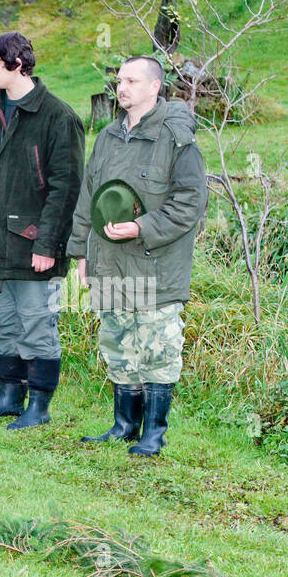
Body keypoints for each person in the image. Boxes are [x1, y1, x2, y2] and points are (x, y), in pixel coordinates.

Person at [67, 55, 207, 457]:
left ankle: (153, 434)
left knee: (157, 349)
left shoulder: (177, 138)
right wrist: (80, 252)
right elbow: (86, 199)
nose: (121, 88)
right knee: (117, 344)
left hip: (155, 264)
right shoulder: (109, 136)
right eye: (119, 80)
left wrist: (141, 227)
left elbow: (190, 203)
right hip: (108, 261)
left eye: (131, 80)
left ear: (154, 87)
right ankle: (124, 425)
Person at [0, 31, 84, 429]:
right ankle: (9, 397)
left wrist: (49, 244)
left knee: (37, 325)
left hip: (34, 249)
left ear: (19, 64)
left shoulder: (59, 118)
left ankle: (39, 407)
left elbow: (66, 189)